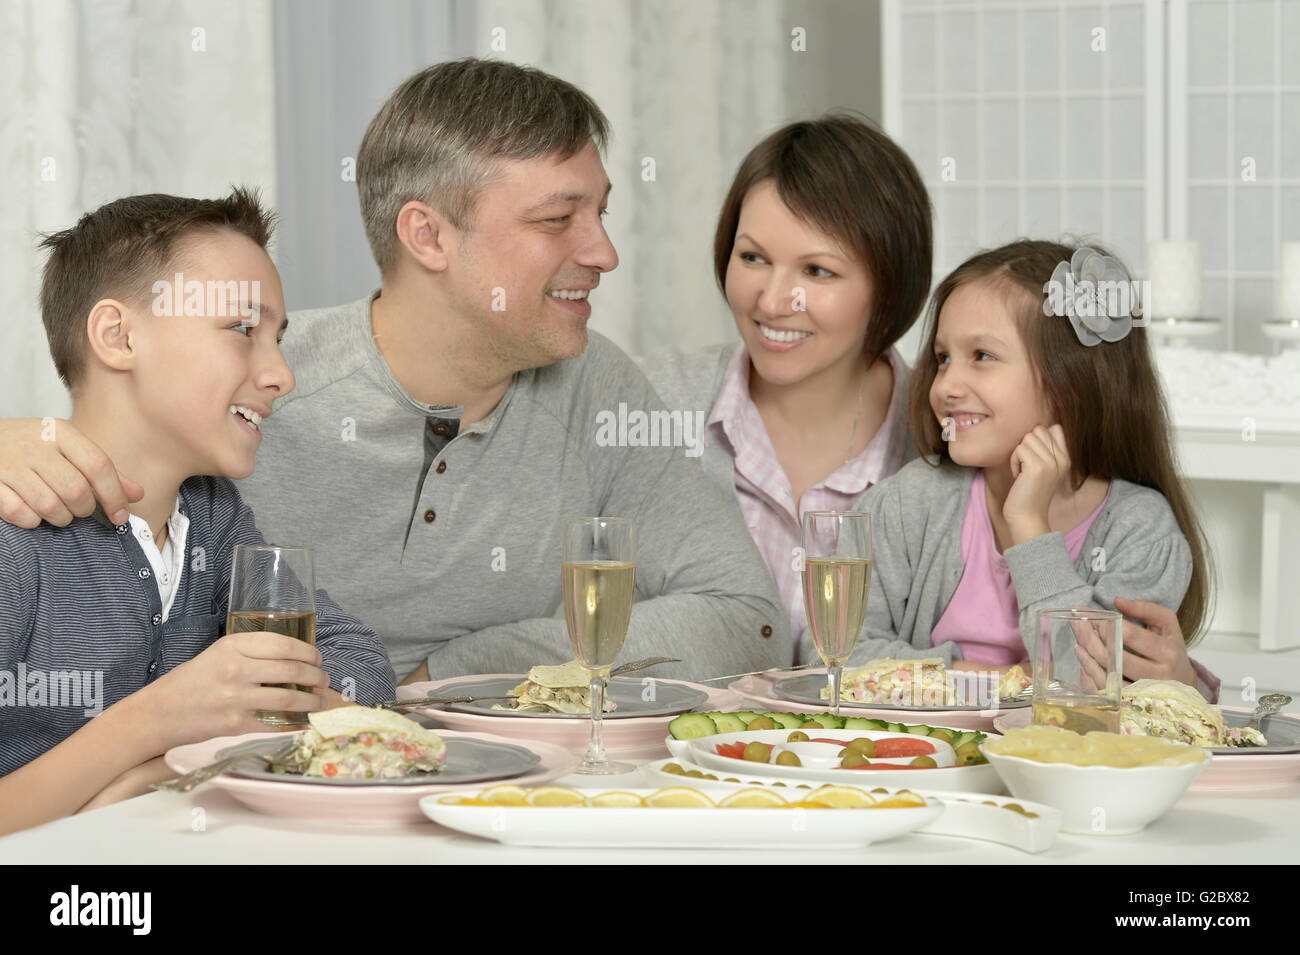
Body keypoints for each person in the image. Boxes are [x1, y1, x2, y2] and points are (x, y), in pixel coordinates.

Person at [0, 59, 788, 684]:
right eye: (557, 219)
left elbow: (748, 617)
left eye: (601, 213)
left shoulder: (594, 389)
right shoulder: (247, 395)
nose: (603, 252)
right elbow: (92, 458)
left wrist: (461, 669)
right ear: (429, 236)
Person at [0, 189, 396, 835]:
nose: (283, 374)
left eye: (278, 337)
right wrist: (154, 724)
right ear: (118, 336)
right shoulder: (16, 536)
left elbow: (360, 661)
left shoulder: (214, 518)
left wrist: (152, 769)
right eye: (243, 328)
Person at [857, 239, 1221, 698]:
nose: (945, 384)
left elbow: (1088, 687)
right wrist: (991, 680)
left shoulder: (1140, 532)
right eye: (943, 357)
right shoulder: (909, 502)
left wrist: (1029, 527)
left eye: (982, 357)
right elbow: (835, 655)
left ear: (1068, 381)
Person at [642, 114, 932, 665]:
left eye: (818, 272)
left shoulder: (948, 448)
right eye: (753, 258)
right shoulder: (650, 407)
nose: (774, 301)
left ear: (889, 284)